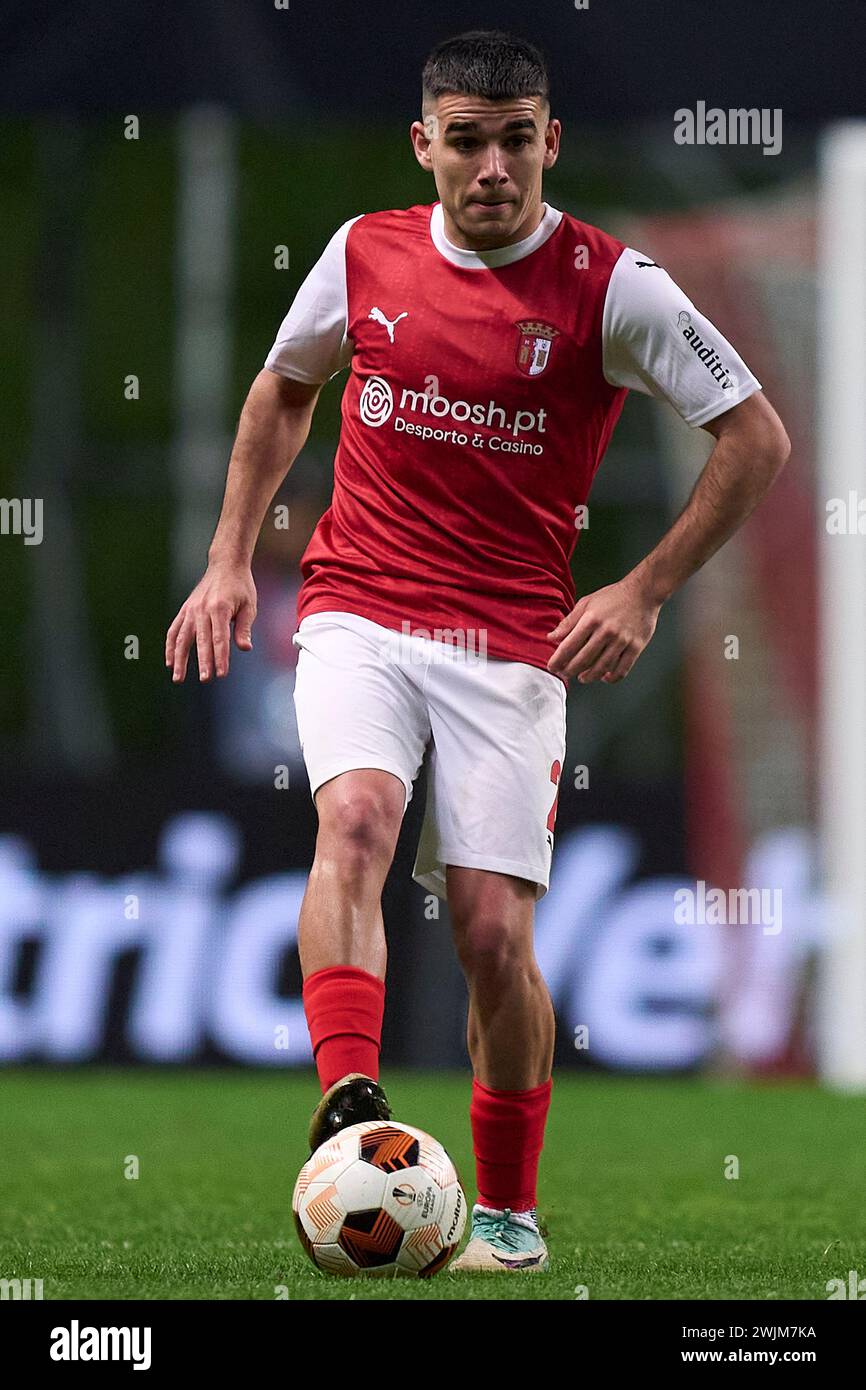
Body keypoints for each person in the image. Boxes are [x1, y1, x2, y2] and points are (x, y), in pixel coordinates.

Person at [165, 29, 790, 1274]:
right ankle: (350, 1100)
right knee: (353, 823)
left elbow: (755, 438)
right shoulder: (364, 251)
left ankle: (504, 1214)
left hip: (509, 642)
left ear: (549, 141)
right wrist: (232, 554)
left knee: (493, 932)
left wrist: (643, 586)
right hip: (357, 606)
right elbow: (284, 387)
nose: (492, 166)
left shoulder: (614, 286)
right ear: (425, 146)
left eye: (516, 139)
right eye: (466, 140)